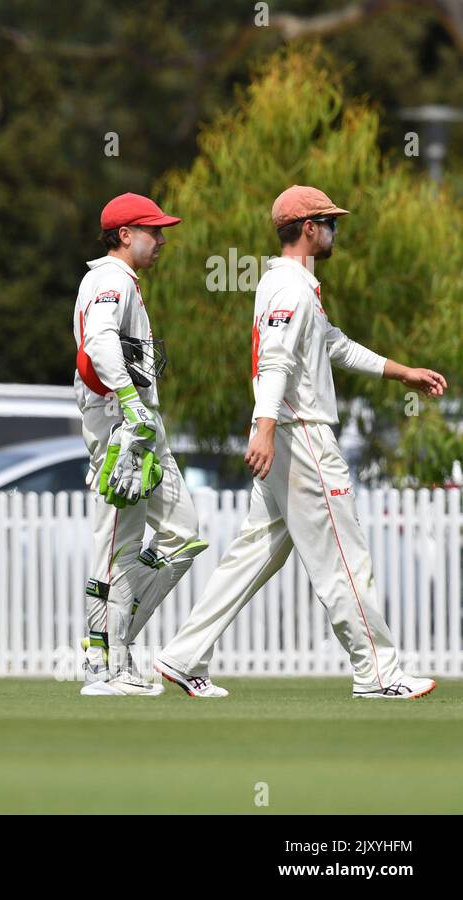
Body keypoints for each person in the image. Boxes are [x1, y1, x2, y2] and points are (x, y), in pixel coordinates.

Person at [156, 185, 446, 699]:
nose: (336, 231)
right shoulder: (290, 288)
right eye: (330, 223)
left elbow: (333, 343)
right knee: (343, 555)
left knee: (256, 552)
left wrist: (401, 373)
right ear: (308, 228)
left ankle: (182, 656)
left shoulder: (290, 285)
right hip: (301, 435)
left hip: (285, 433)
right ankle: (378, 673)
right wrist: (265, 429)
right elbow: (276, 362)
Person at [73, 193, 206, 696]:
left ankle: (118, 642)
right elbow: (100, 344)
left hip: (137, 422)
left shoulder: (119, 280)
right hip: (119, 423)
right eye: (154, 231)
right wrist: (131, 406)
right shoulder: (109, 278)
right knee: (115, 545)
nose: (163, 239)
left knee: (183, 532)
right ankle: (99, 667)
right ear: (124, 235)